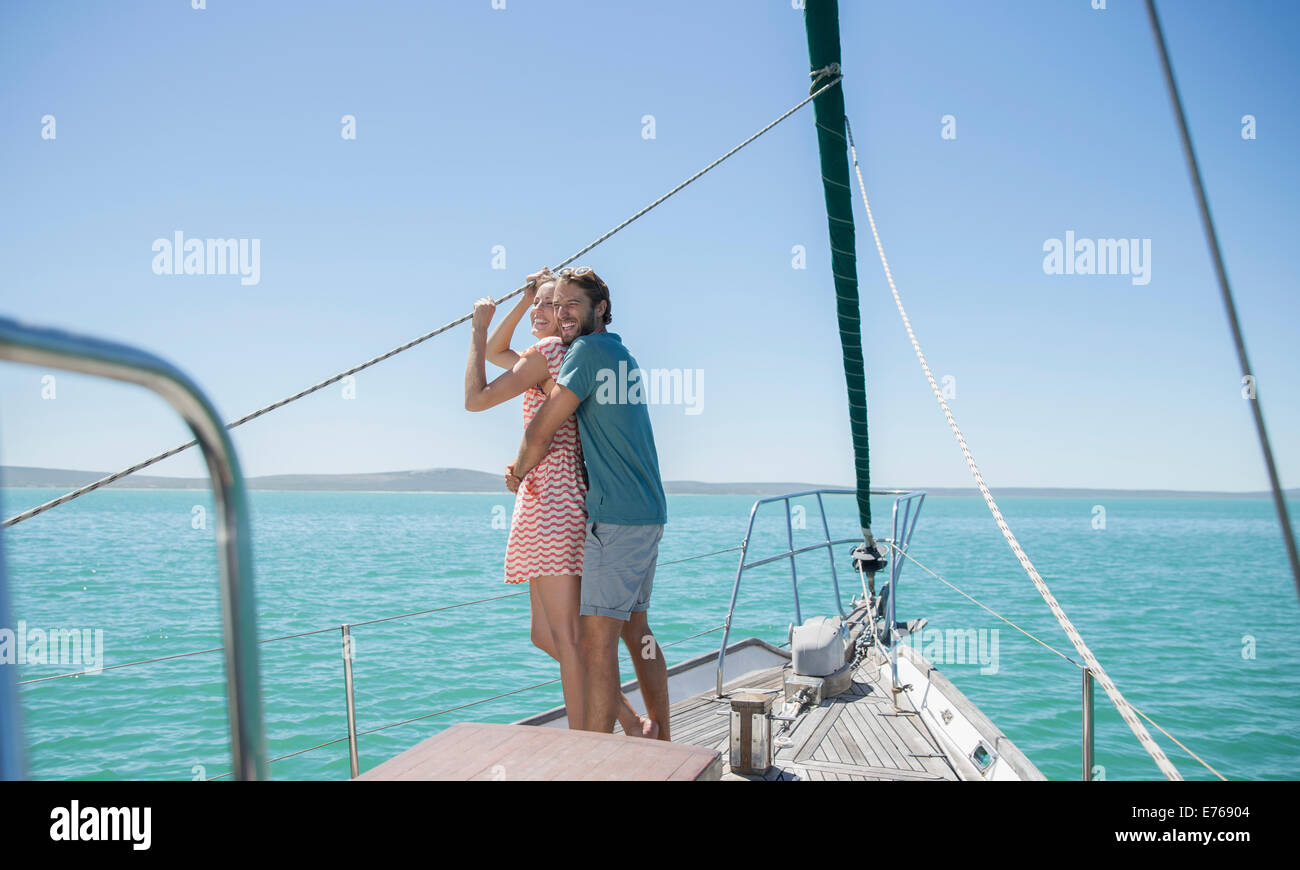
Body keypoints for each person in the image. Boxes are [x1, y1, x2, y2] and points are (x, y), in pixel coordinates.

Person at [464, 268, 653, 736]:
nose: (541, 310)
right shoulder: (558, 355)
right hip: (552, 499)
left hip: (553, 501)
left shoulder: (550, 353)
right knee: (545, 635)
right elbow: (500, 357)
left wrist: (479, 326)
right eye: (543, 302)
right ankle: (630, 720)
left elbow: (475, 397)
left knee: (569, 642)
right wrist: (524, 297)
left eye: (552, 304)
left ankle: (583, 749)